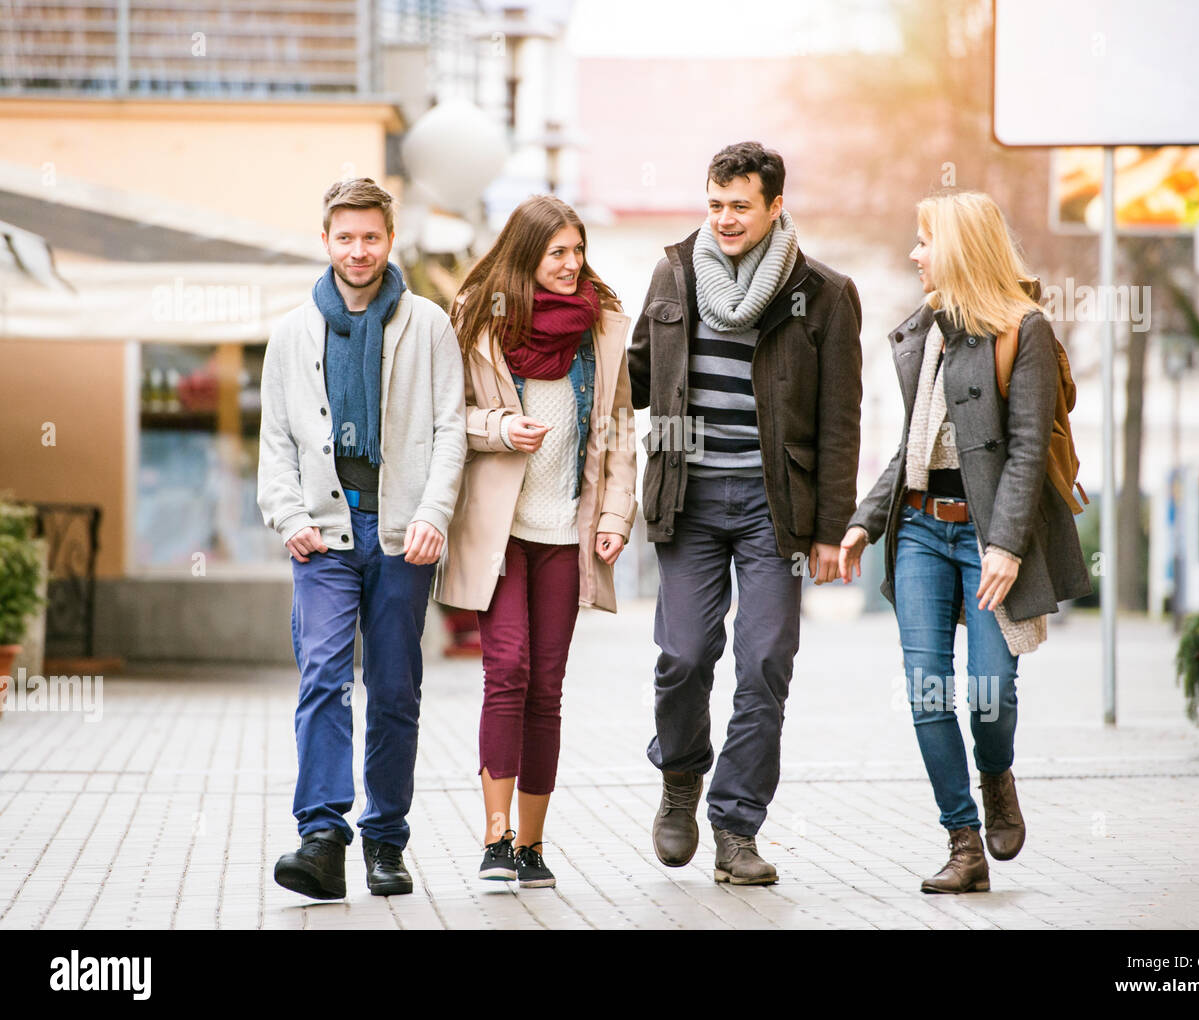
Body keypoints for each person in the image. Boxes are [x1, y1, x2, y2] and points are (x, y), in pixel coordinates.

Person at [839, 191, 1091, 893]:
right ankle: (963, 841)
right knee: (927, 689)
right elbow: (910, 449)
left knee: (990, 692)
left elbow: (1028, 447)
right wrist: (865, 521)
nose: (914, 254)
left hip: (988, 535)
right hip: (920, 529)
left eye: (925, 241)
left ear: (959, 247)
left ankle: (996, 774)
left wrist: (1005, 545)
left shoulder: (1023, 329)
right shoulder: (926, 330)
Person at [628, 141, 863, 885]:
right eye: (715, 204)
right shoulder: (673, 274)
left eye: (740, 205)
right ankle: (679, 780)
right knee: (684, 657)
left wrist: (830, 530)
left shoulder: (823, 294)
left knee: (764, 663)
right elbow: (636, 377)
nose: (725, 218)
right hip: (688, 499)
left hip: (775, 509)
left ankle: (735, 828)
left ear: (775, 206)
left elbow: (840, 422)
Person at [258, 177, 466, 900]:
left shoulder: (428, 325)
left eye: (370, 237)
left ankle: (385, 839)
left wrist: (434, 513)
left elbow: (449, 429)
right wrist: (289, 518)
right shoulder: (292, 333)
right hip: (324, 534)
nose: (358, 250)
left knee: (395, 687)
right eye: (344, 237)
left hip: (402, 533)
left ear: (390, 240)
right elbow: (276, 442)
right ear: (325, 241)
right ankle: (321, 838)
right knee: (323, 674)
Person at [436, 194, 637, 889]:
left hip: (565, 531)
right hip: (500, 532)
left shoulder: (600, 325)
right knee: (508, 670)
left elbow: (618, 428)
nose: (572, 264)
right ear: (527, 254)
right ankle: (494, 838)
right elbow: (444, 417)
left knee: (547, 687)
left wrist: (615, 516)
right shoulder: (478, 319)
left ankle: (531, 845)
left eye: (578, 251)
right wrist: (498, 429)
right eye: (558, 252)